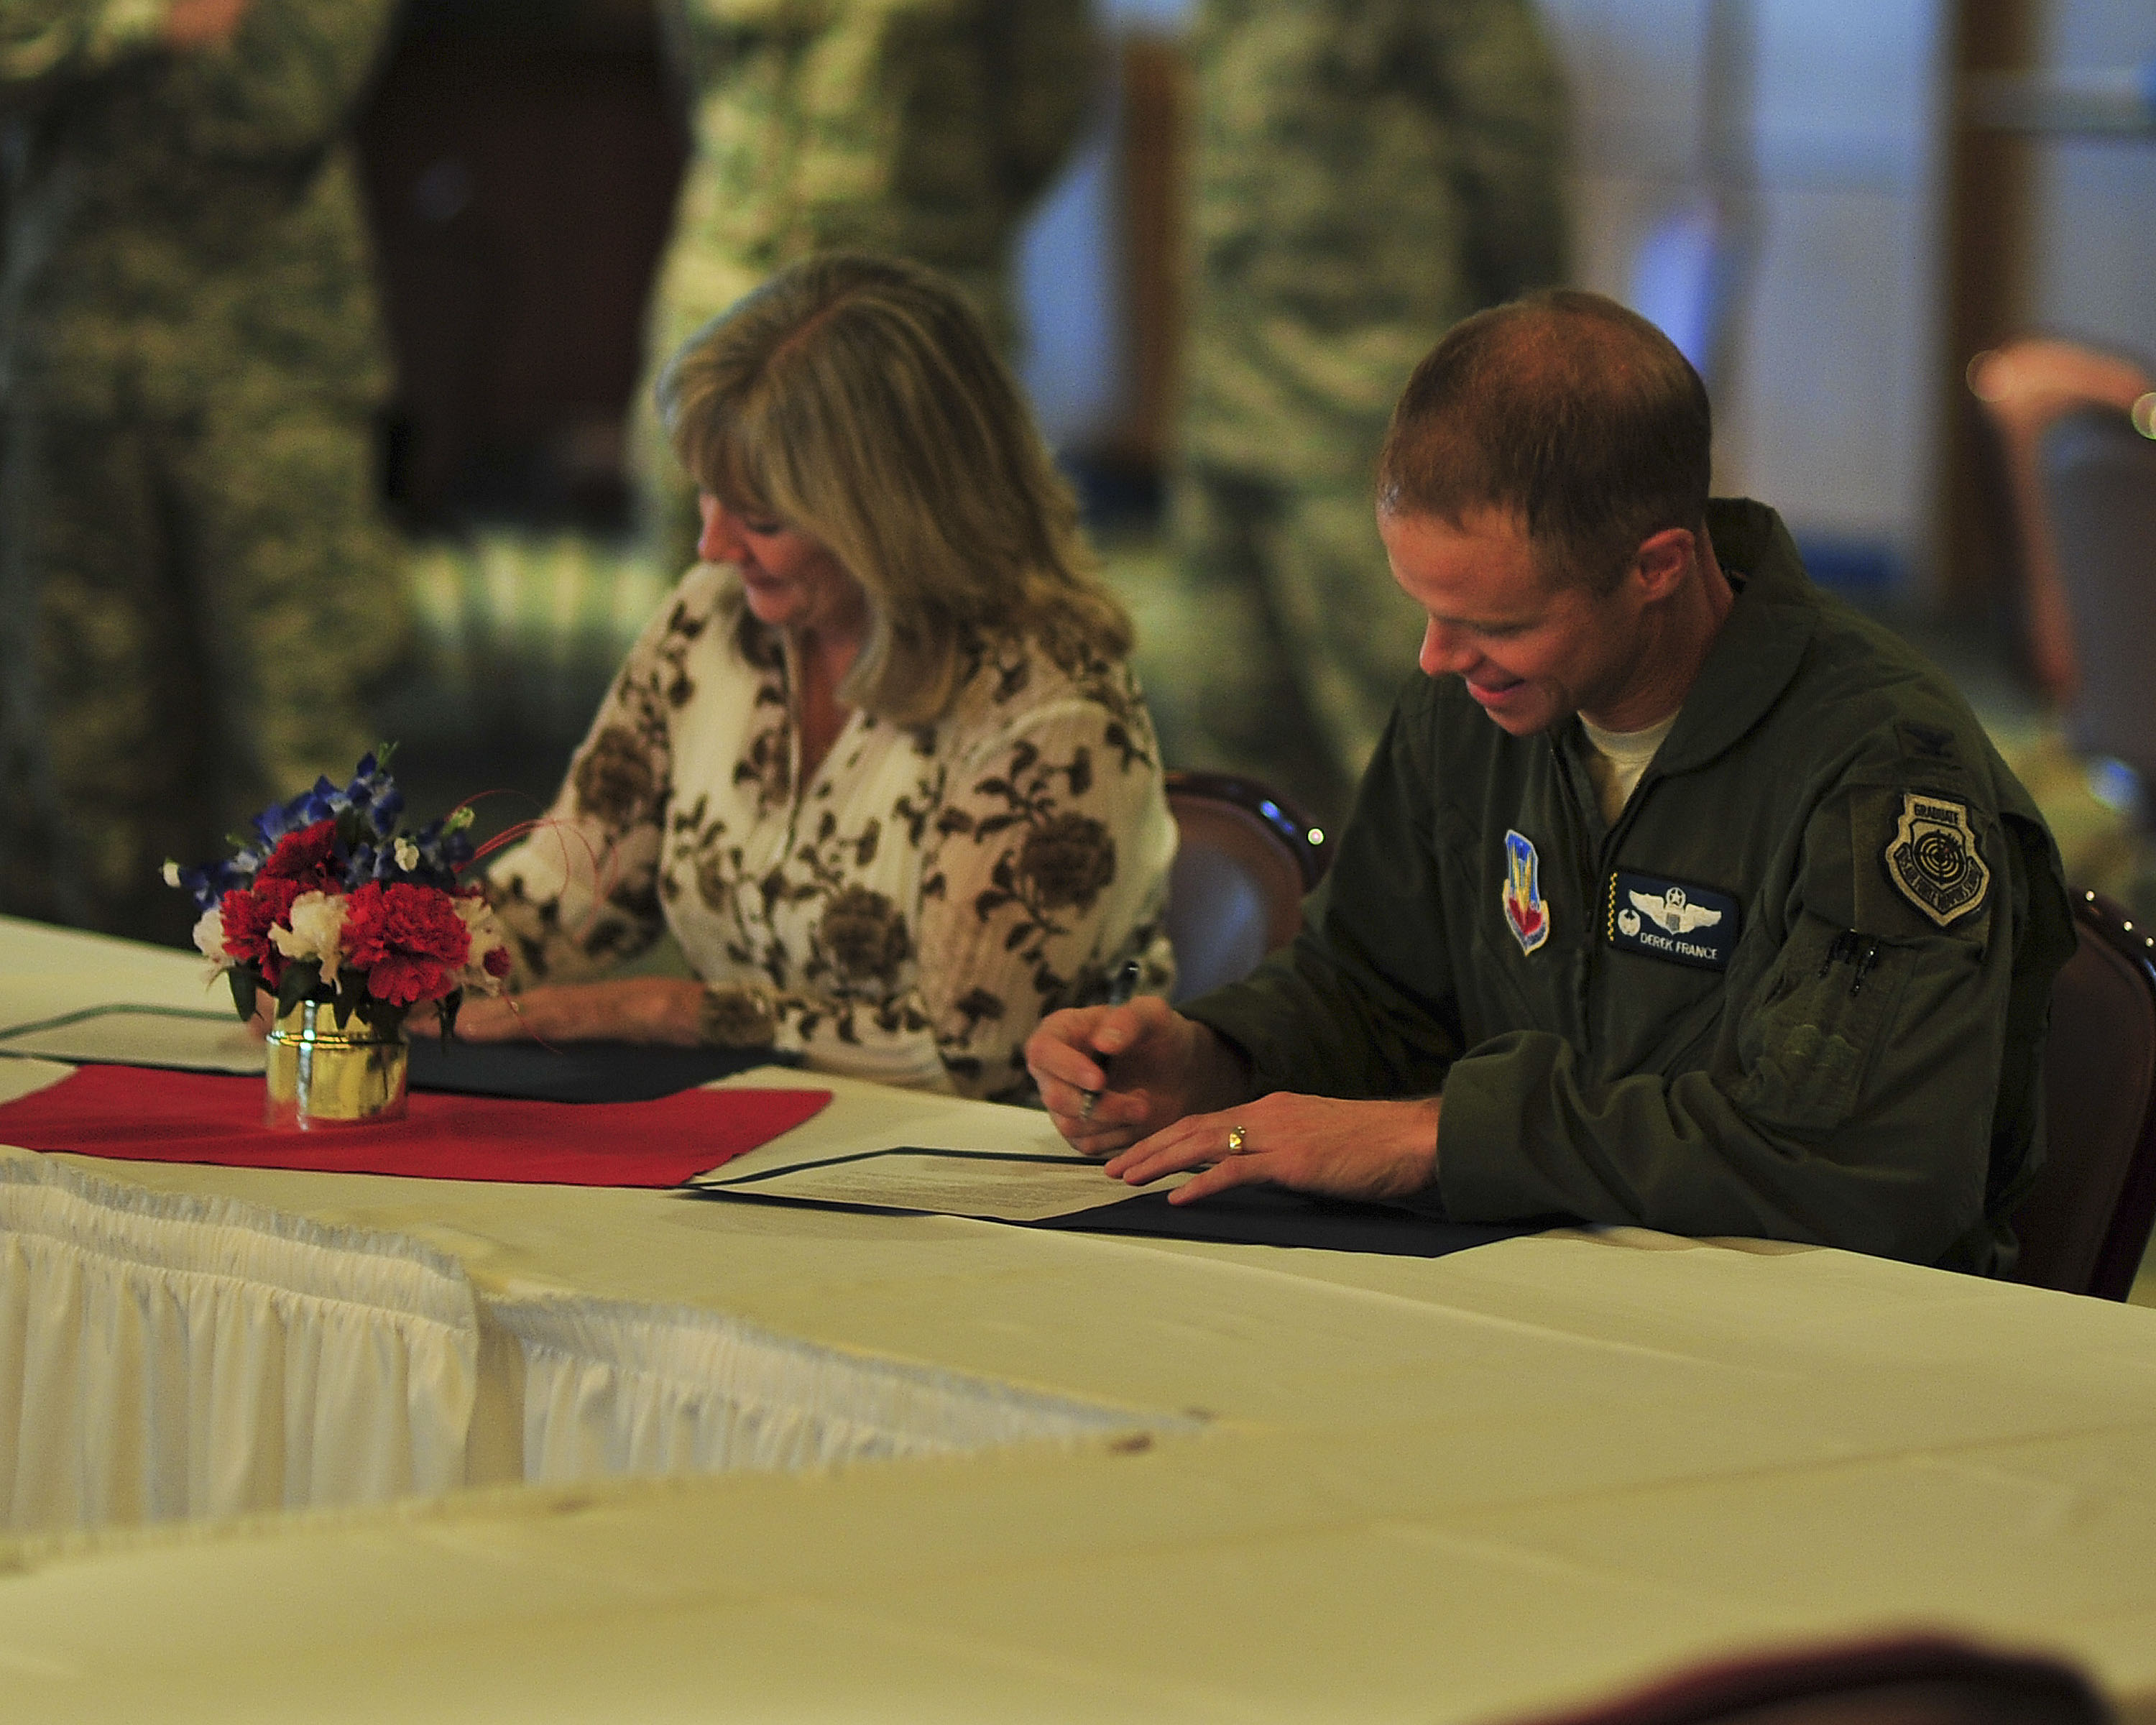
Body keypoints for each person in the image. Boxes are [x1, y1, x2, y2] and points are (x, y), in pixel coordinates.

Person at [1028, 290, 2077, 1275]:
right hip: (1538, 1290)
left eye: (1500, 622)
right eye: (1427, 608)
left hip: (1813, 1349)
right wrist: (1216, 1056)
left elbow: (1872, 1172)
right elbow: (1378, 990)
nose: (1441, 658)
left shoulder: (1880, 770)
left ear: (1658, 566)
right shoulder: (1478, 705)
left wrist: (1448, 1135)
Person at [468, 253, 1176, 1102]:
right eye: (707, 498)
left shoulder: (1047, 703)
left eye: (761, 519)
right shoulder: (714, 618)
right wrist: (364, 941)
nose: (714, 547)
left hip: (983, 1180)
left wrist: (670, 1012)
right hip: (749, 1137)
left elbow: (970, 1056)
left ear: (891, 519)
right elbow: (566, 899)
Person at [0, 0, 409, 946]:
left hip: (270, 376)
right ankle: (112, 1064)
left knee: (300, 759)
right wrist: (143, 23)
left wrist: (78, 46)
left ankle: (321, 1037)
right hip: (70, 369)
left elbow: (281, 96)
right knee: (82, 770)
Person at [1164, 0, 1567, 827]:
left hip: (1370, 414)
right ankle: (1284, 952)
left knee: (1417, 747)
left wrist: (1510, 356)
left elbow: (1516, 159)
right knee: (1232, 742)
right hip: (1227, 404)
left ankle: (1457, 954)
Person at [635, 0, 1100, 579]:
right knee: (702, 601)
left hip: (913, 303)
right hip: (729, 273)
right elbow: (695, 63)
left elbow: (1046, 105)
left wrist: (943, 219)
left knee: (928, 602)